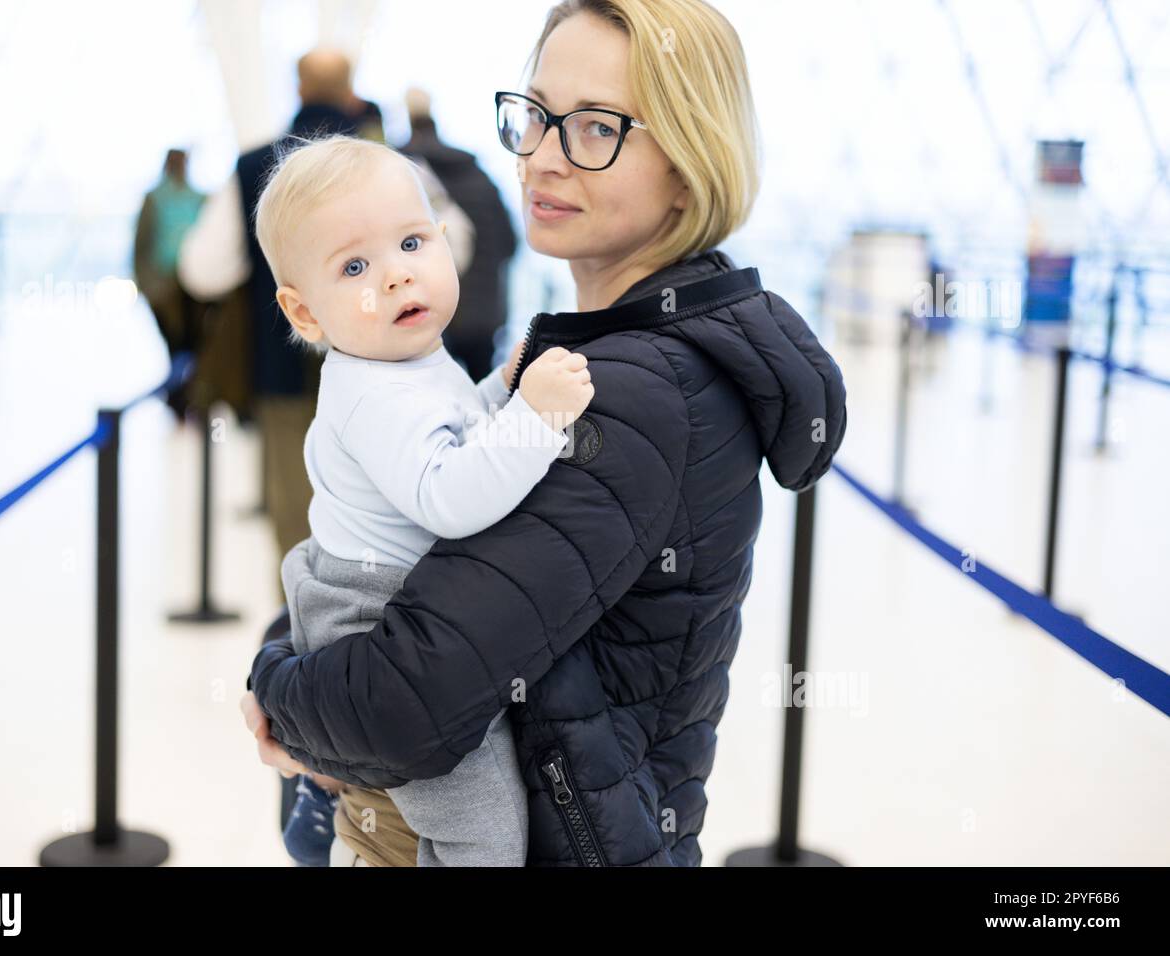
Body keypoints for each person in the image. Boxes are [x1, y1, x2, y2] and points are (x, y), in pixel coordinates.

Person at [243, 0, 847, 866]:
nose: (543, 156)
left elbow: (405, 705)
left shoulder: (638, 394)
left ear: (688, 162)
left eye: (595, 127)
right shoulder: (603, 354)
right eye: (534, 117)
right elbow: (433, 585)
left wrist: (276, 688)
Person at [256, 135, 593, 866]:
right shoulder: (371, 392)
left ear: (445, 241)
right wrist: (535, 418)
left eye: (411, 241)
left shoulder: (401, 361)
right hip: (370, 622)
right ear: (305, 313)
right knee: (484, 828)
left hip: (384, 609)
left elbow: (448, 432)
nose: (396, 276)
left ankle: (330, 805)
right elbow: (447, 495)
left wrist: (499, 393)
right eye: (354, 266)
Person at [178, 48, 473, 566]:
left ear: (297, 89)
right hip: (406, 361)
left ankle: (312, 641)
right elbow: (461, 246)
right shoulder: (396, 167)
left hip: (284, 373)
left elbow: (202, 270)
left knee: (303, 529)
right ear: (351, 89)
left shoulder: (252, 167)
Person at [402, 88, 519, 381]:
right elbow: (509, 242)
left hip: (425, 314)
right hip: (484, 313)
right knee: (486, 396)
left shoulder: (401, 176)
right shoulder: (478, 175)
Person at [133, 148, 204, 418]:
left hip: (194, 286)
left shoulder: (198, 198)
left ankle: (189, 399)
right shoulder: (154, 199)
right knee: (175, 344)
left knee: (191, 346)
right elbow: (142, 246)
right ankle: (178, 402)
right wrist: (147, 286)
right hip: (164, 287)